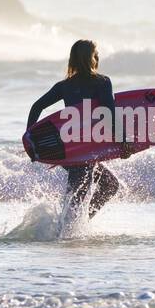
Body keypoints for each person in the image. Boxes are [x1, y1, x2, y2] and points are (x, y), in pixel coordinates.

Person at [26, 39, 127, 219]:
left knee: (95, 188)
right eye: (96, 53)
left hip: (71, 147)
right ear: (92, 58)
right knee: (90, 190)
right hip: (85, 147)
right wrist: (123, 143)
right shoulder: (102, 83)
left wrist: (31, 137)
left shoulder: (64, 86)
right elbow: (109, 114)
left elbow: (37, 107)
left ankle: (74, 224)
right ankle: (68, 230)